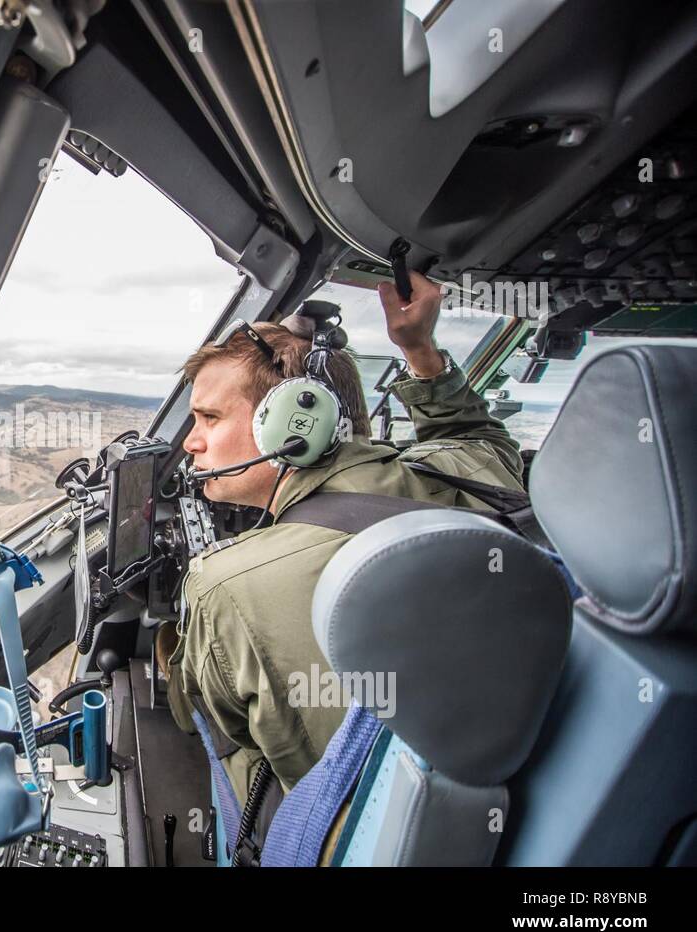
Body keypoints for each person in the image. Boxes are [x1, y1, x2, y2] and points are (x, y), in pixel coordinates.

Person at [159, 272, 524, 811]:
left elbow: (199, 713)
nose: (190, 441)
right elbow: (483, 440)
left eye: (209, 417)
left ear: (290, 425)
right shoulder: (454, 473)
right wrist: (419, 350)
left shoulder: (230, 587)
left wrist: (178, 639)